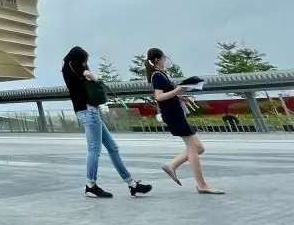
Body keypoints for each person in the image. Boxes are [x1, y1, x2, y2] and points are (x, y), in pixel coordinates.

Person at [62, 46, 152, 199]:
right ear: (80, 59)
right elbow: (89, 75)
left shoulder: (66, 68)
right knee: (94, 150)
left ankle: (132, 185)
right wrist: (93, 77)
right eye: (85, 61)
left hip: (88, 111)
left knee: (113, 147)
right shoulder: (76, 66)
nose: (86, 64)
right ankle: (90, 185)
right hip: (88, 111)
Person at [146, 48, 224, 195]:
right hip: (173, 115)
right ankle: (201, 184)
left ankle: (172, 165)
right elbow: (159, 97)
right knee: (193, 148)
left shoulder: (162, 74)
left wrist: (179, 95)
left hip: (176, 113)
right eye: (164, 57)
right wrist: (178, 90)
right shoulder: (157, 75)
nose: (166, 60)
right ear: (157, 59)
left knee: (199, 148)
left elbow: (167, 95)